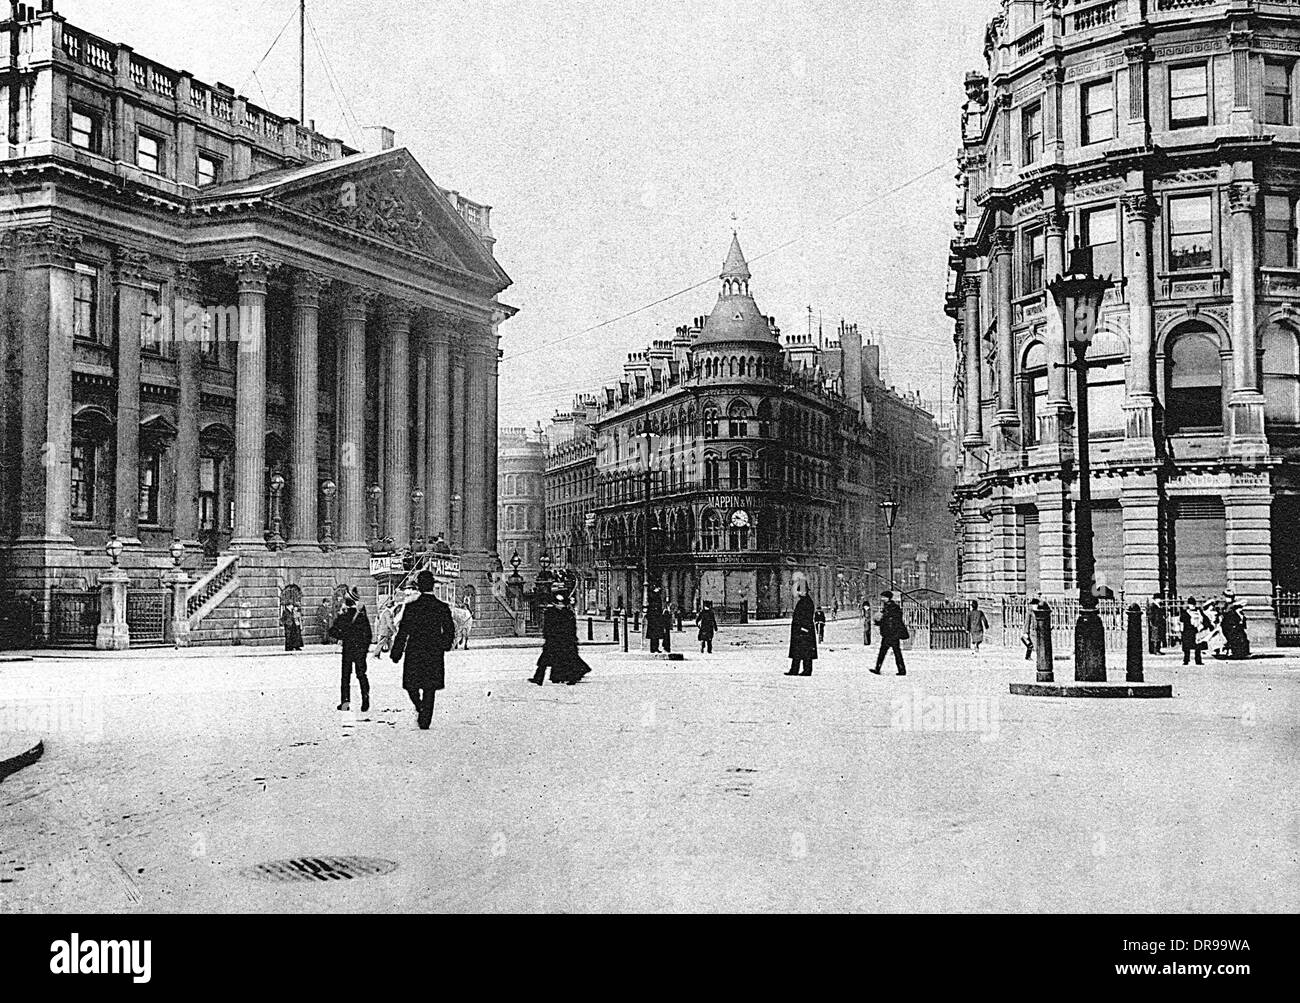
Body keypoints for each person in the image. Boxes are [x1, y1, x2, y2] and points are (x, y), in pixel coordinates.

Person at [390, 570, 457, 729]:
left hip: (415, 651)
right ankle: (425, 717)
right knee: (430, 687)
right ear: (432, 586)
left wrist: (396, 652)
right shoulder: (442, 607)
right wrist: (444, 645)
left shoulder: (412, 607)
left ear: (419, 587)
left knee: (411, 685)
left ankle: (420, 707)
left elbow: (403, 632)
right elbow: (450, 630)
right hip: (434, 652)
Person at [328, 586, 373, 712]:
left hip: (348, 649)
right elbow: (368, 635)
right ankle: (365, 698)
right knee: (361, 674)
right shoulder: (362, 617)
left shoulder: (344, 616)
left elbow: (332, 631)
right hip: (360, 650)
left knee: (345, 676)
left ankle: (345, 703)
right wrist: (364, 648)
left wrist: (342, 634)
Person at [871, 590, 908, 676]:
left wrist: (880, 619)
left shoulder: (891, 607)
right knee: (895, 652)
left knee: (885, 652)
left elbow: (889, 620)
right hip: (891, 633)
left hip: (890, 633)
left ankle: (878, 669)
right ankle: (901, 669)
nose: (882, 599)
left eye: (883, 597)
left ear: (887, 598)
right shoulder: (891, 606)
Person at [786, 577, 817, 676]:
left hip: (804, 630)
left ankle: (807, 670)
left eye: (801, 591)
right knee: (797, 651)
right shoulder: (803, 601)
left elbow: (808, 616)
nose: (799, 593)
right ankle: (794, 669)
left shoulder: (807, 602)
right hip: (799, 630)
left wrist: (805, 628)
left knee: (806, 652)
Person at [1180, 596, 1207, 666]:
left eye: (1192, 604)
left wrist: (1203, 626)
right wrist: (1182, 630)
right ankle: (1186, 660)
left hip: (1196, 631)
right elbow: (1182, 621)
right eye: (1190, 604)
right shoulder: (1185, 612)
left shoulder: (1199, 611)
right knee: (1186, 647)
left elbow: (1205, 619)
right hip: (1187, 631)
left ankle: (1198, 660)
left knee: (1198, 647)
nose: (1191, 606)